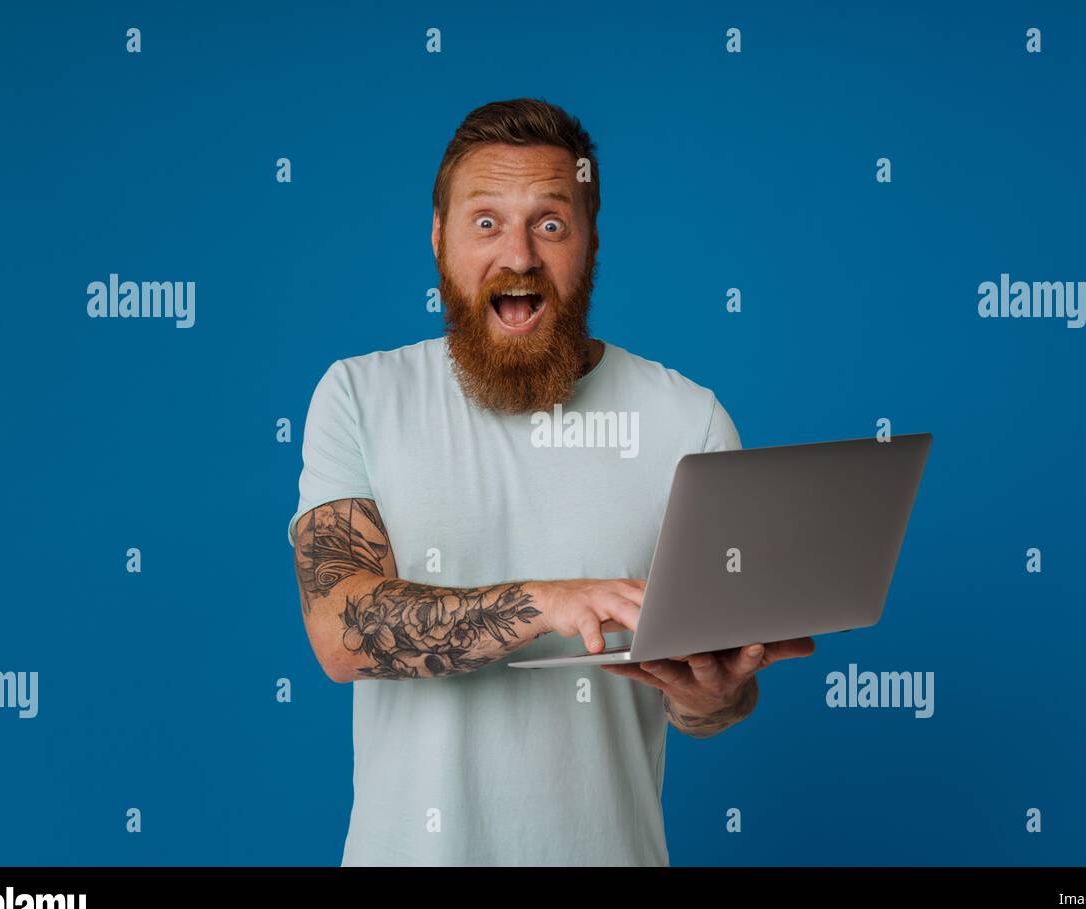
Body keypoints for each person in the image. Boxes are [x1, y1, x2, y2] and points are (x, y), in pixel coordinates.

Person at [288, 98, 814, 866]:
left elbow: (711, 701)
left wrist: (711, 695)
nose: (520, 255)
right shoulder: (359, 397)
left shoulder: (688, 423)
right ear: (439, 240)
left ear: (591, 242)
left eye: (551, 223)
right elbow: (342, 629)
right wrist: (549, 600)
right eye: (486, 221)